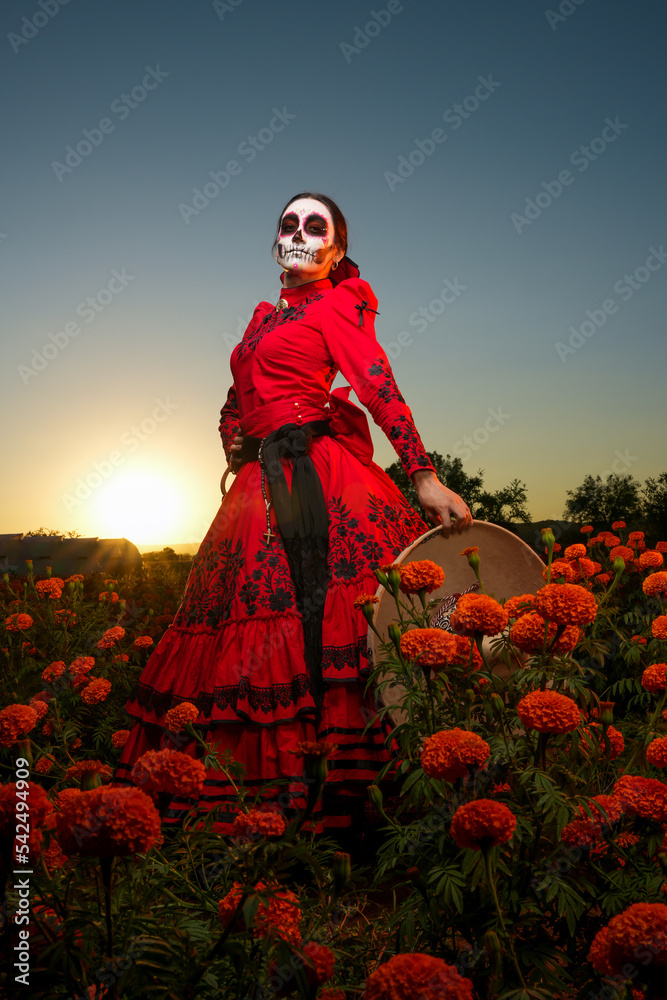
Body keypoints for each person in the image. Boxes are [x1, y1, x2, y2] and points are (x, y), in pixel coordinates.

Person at [114, 192, 472, 834]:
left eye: (316, 226)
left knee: (337, 619)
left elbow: (377, 385)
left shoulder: (339, 303)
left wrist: (423, 474)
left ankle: (356, 803)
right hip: (257, 484)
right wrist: (236, 440)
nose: (300, 234)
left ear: (334, 250)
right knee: (242, 621)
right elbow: (236, 397)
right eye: (289, 224)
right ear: (277, 240)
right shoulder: (261, 320)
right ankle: (254, 800)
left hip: (319, 478)